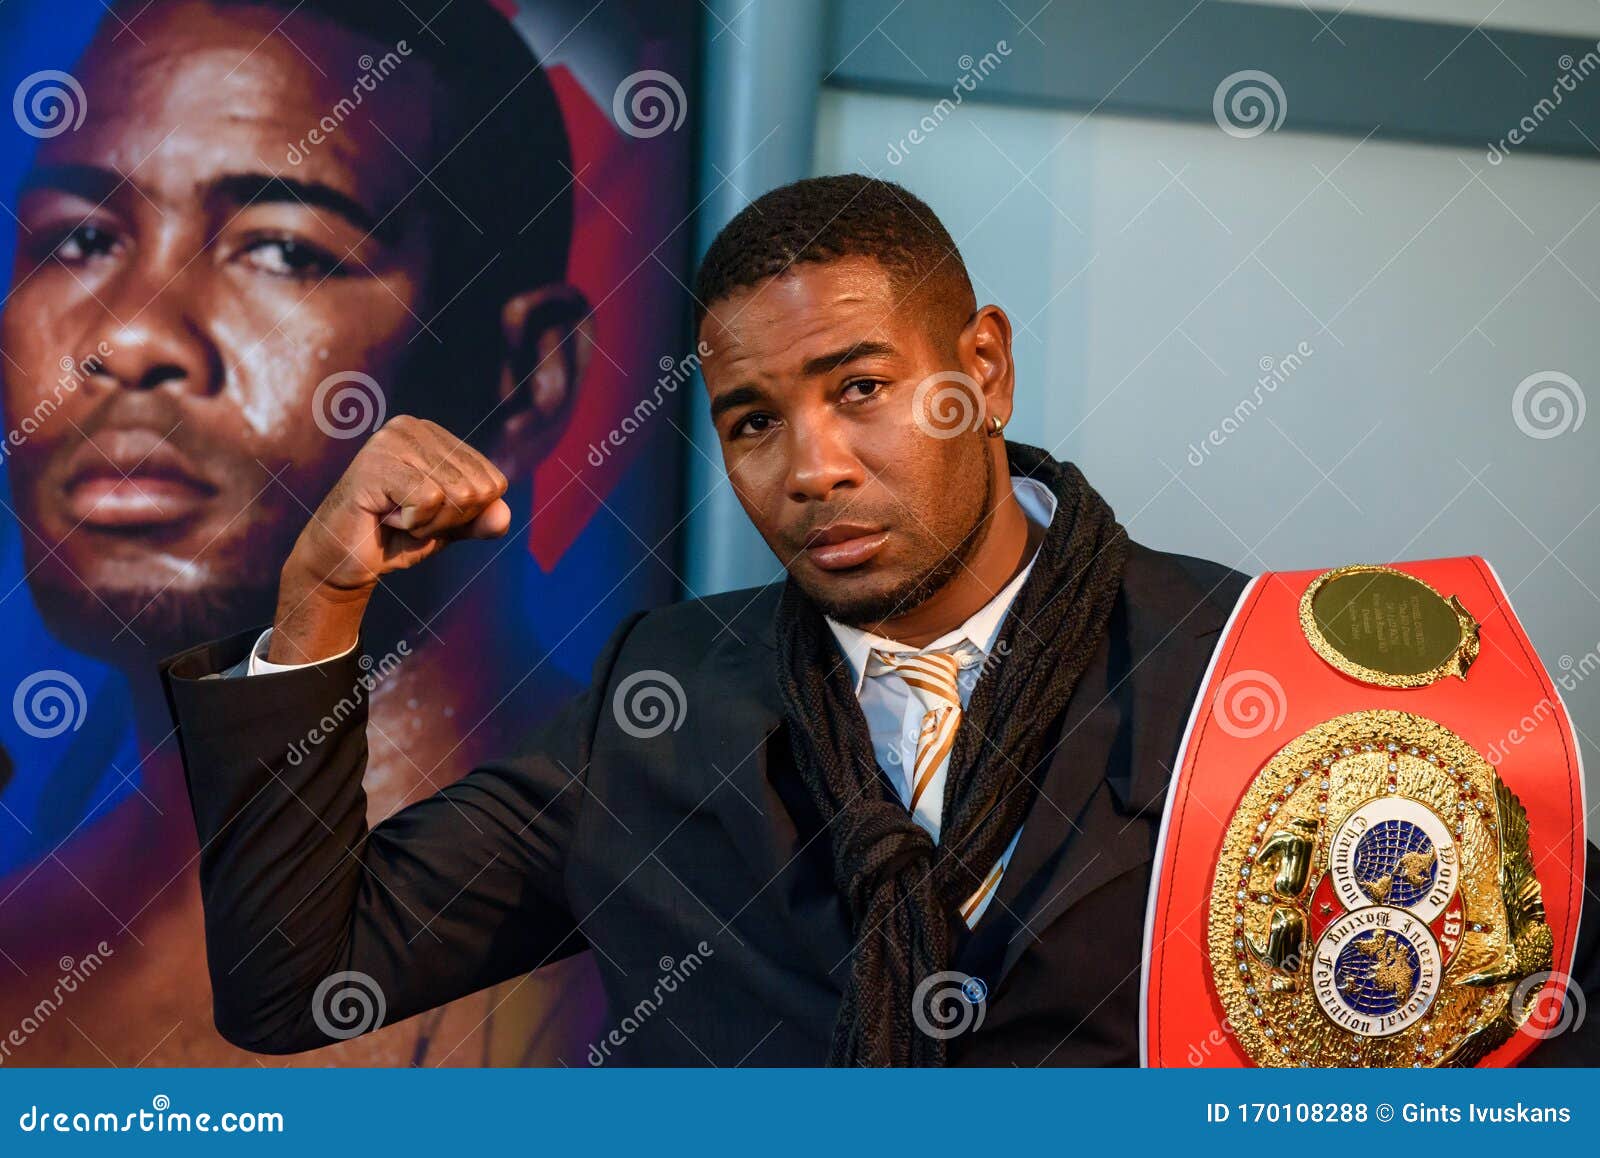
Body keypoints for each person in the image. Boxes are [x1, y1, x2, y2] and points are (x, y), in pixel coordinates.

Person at [159, 175, 1600, 1065]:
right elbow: (305, 985)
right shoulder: (658, 697)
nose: (812, 466)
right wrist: (315, 603)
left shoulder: (1253, 672)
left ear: (982, 366)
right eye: (751, 420)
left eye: (860, 386)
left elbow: (1525, 1038)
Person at [0, 0, 605, 1065]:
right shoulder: (29, 963)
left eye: (282, 250)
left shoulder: (695, 943)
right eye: (81, 239)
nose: (133, 335)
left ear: (523, 383)